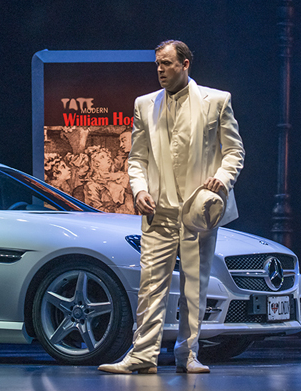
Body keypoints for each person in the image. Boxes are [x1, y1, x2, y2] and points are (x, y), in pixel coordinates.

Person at [98, 40, 244, 375]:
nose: (161, 70)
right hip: (158, 210)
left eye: (167, 63)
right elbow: (137, 158)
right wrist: (139, 189)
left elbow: (234, 151)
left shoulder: (216, 101)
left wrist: (223, 178)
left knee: (195, 284)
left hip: (198, 209)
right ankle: (143, 354)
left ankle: (188, 353)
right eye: (157, 64)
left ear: (186, 63)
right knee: (151, 284)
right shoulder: (145, 104)